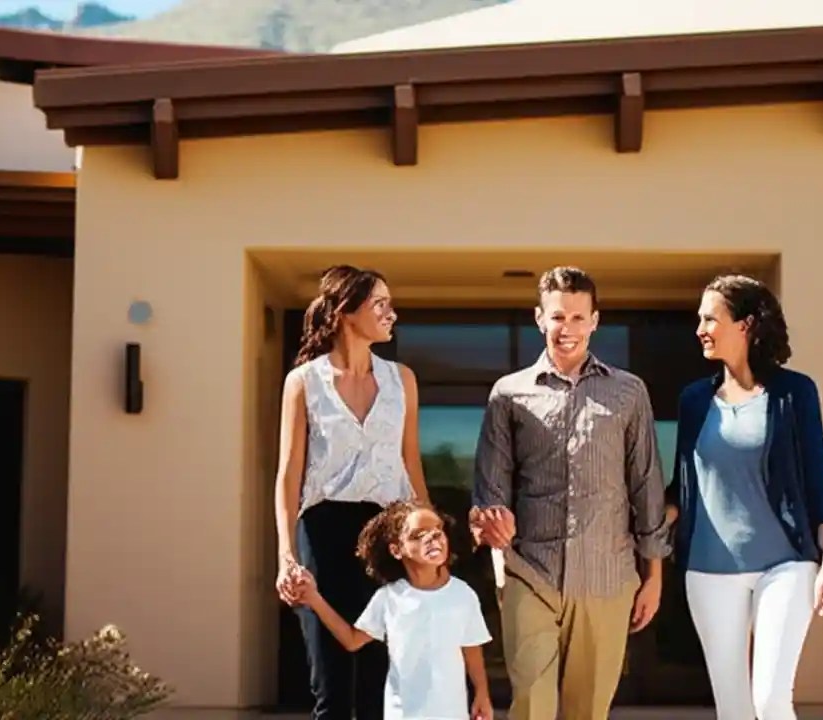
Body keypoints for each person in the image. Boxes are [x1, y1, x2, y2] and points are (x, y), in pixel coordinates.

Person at [470, 266, 669, 720]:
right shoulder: (509, 395)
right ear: (539, 318)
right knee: (531, 707)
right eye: (558, 317)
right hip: (529, 573)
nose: (568, 329)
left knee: (588, 712)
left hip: (608, 576)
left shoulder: (628, 393)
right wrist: (494, 536)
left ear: (595, 320)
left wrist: (652, 576)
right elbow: (490, 489)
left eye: (579, 318)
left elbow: (646, 486)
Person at [667, 274, 823, 720]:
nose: (700, 329)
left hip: (786, 564)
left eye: (711, 318)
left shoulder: (795, 393)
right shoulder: (693, 401)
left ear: (744, 325)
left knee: (769, 699)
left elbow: (818, 482)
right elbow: (681, 487)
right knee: (734, 708)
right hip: (708, 571)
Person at [273, 265, 430, 720]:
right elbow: (289, 473)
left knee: (385, 682)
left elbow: (411, 462)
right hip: (322, 533)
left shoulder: (403, 381)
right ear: (346, 312)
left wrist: (428, 534)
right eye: (380, 304)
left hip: (388, 534)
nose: (391, 313)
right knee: (332, 688)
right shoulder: (303, 381)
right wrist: (287, 553)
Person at [293, 500, 494, 720]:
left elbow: (472, 647)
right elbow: (352, 640)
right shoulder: (389, 598)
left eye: (437, 531)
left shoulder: (462, 595)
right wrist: (314, 599)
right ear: (397, 550)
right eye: (418, 535)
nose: (432, 538)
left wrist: (482, 693)